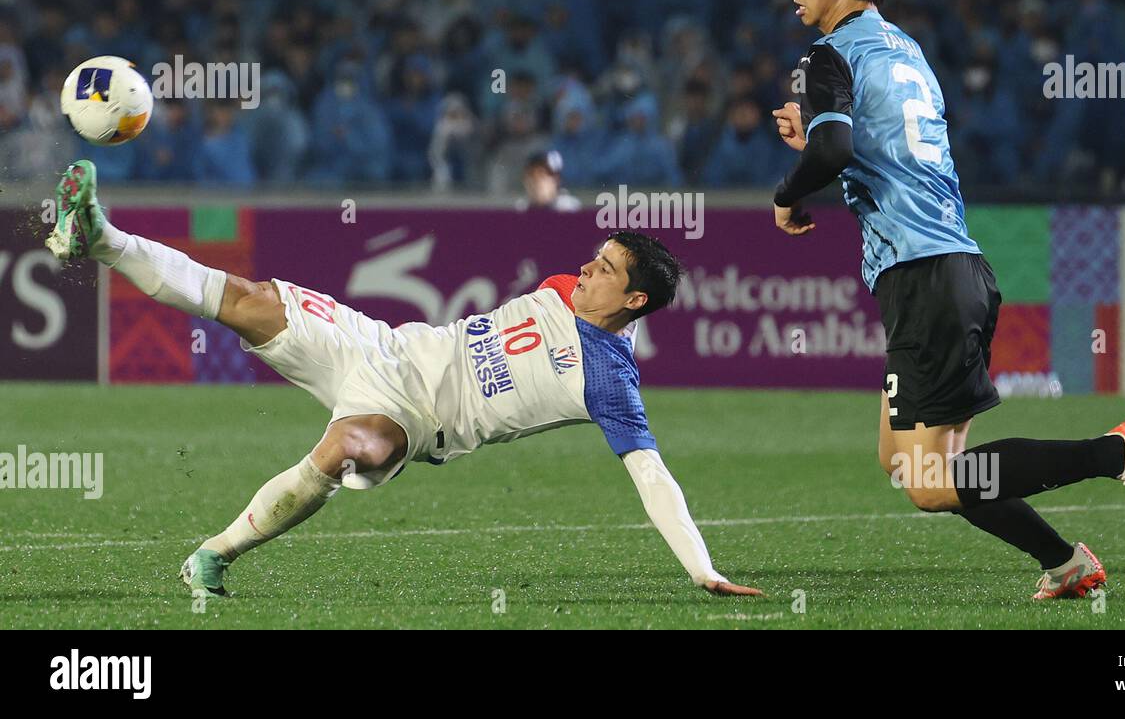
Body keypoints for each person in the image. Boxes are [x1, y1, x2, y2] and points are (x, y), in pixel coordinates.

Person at [45, 159, 761, 599]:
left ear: (634, 301)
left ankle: (213, 554)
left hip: (416, 418)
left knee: (351, 443)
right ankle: (98, 234)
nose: (587, 271)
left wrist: (700, 567)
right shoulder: (566, 285)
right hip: (379, 346)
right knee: (248, 298)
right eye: (597, 256)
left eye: (606, 270)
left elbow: (652, 475)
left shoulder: (609, 380)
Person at [770, 0, 1125, 599]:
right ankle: (1066, 563)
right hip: (950, 267)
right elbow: (876, 144)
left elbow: (835, 154)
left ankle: (1117, 451)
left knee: (930, 483)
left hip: (926, 275)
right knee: (906, 462)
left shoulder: (827, 58)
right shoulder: (905, 51)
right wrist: (821, 139)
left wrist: (789, 193)